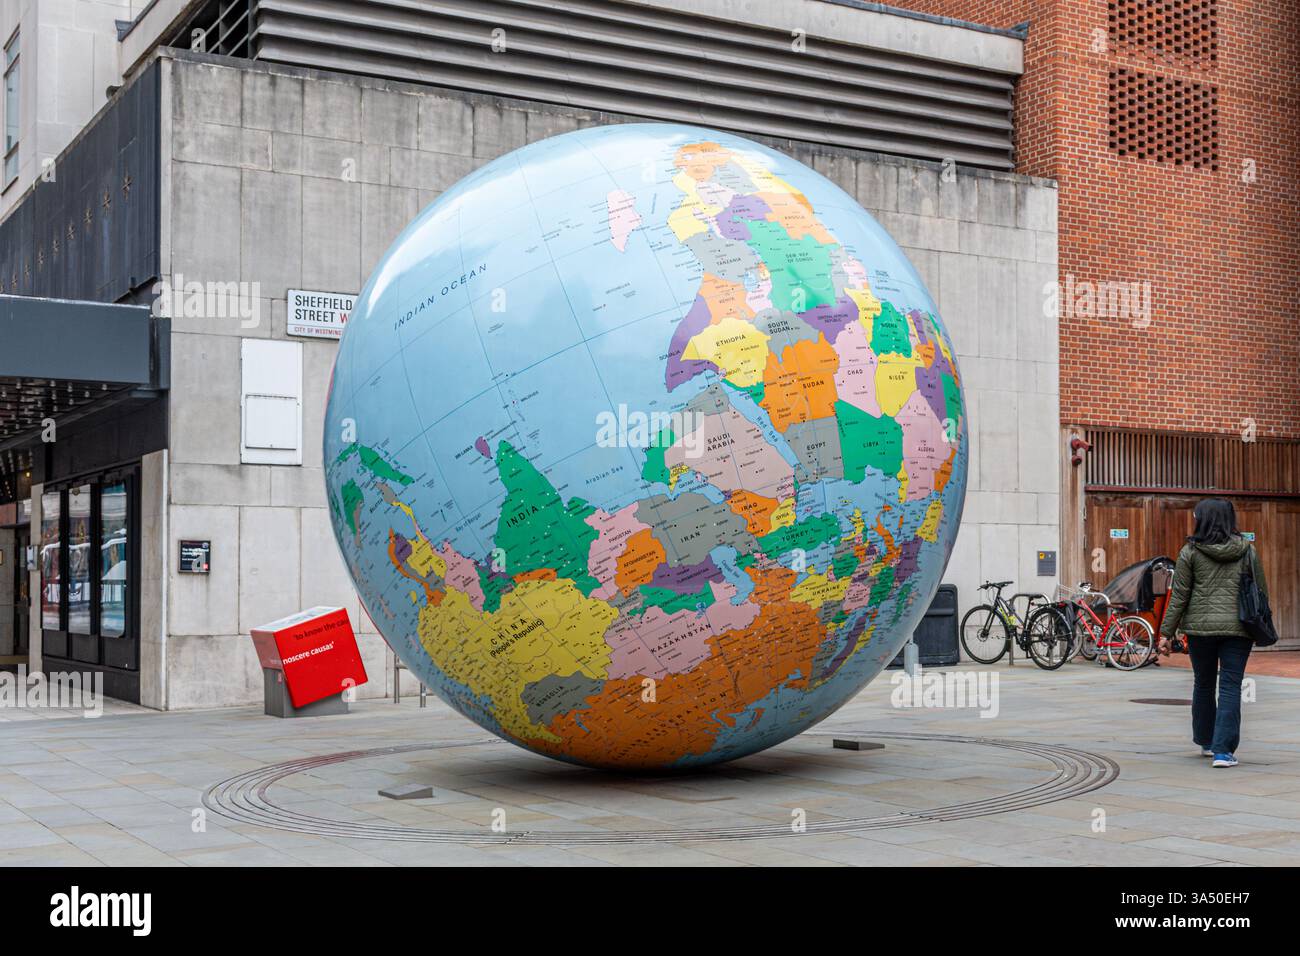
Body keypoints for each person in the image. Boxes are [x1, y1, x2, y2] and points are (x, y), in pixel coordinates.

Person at [1159, 498, 1268, 768]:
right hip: (1238, 629)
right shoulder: (1247, 550)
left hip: (1199, 629)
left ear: (1202, 519)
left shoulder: (1190, 552)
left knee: (1203, 684)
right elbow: (1260, 591)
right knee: (1231, 687)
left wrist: (1165, 633)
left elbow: (1179, 596)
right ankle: (1223, 752)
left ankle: (1207, 741)